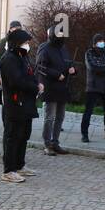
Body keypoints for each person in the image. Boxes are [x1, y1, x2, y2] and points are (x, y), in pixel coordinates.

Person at [0, 28, 39, 182]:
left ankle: (20, 165)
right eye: (25, 42)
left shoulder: (22, 57)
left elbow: (29, 75)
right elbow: (17, 81)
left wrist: (37, 84)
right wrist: (34, 87)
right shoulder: (9, 59)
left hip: (26, 103)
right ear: (17, 43)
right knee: (12, 137)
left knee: (23, 135)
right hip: (15, 104)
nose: (27, 45)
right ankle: (9, 170)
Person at [37, 24, 78, 155]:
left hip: (63, 88)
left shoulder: (63, 48)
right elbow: (41, 67)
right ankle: (47, 144)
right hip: (50, 87)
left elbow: (69, 63)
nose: (61, 36)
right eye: (58, 34)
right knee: (50, 117)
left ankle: (55, 142)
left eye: (62, 34)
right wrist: (56, 74)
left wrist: (73, 70)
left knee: (60, 117)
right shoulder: (45, 48)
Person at [81, 32, 105, 143]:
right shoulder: (89, 53)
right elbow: (93, 67)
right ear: (94, 43)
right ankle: (84, 134)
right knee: (88, 111)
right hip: (93, 86)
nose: (102, 43)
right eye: (99, 41)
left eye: (102, 41)